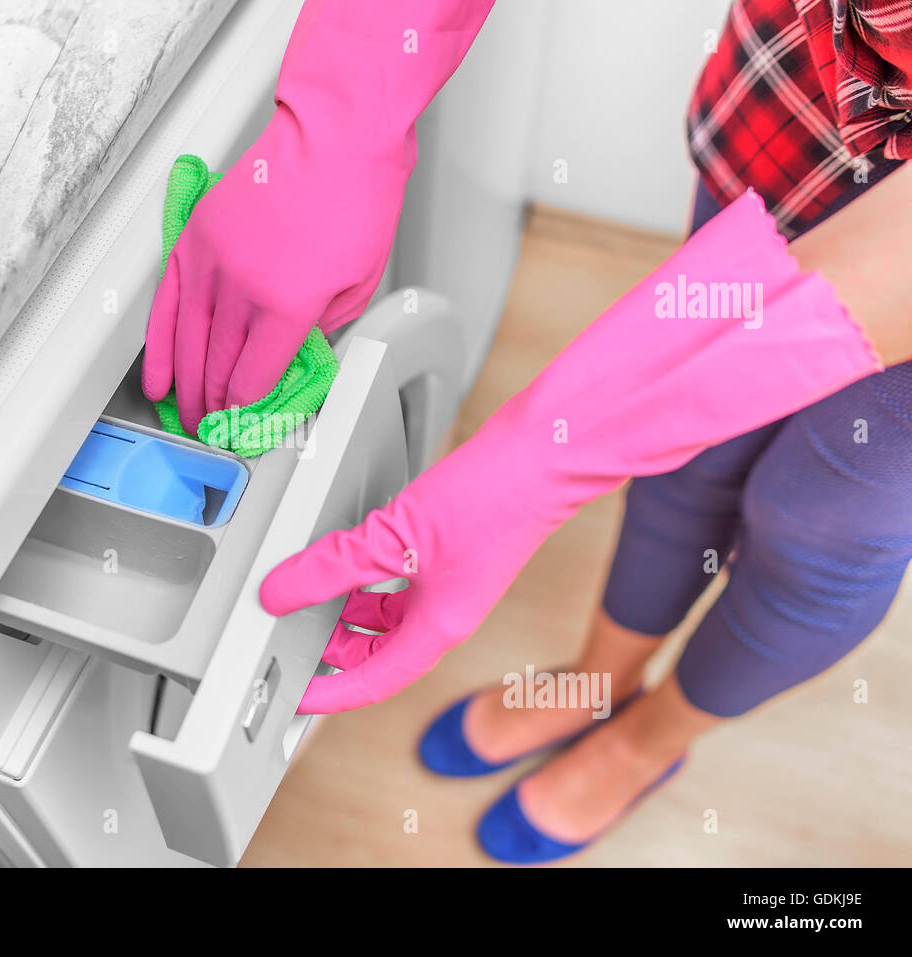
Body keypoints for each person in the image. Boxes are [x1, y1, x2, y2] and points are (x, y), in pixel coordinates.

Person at [143, 0, 912, 863]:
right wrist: (339, 121)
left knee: (824, 527)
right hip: (802, 112)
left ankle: (648, 738)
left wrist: (538, 461)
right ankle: (601, 679)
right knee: (693, 458)